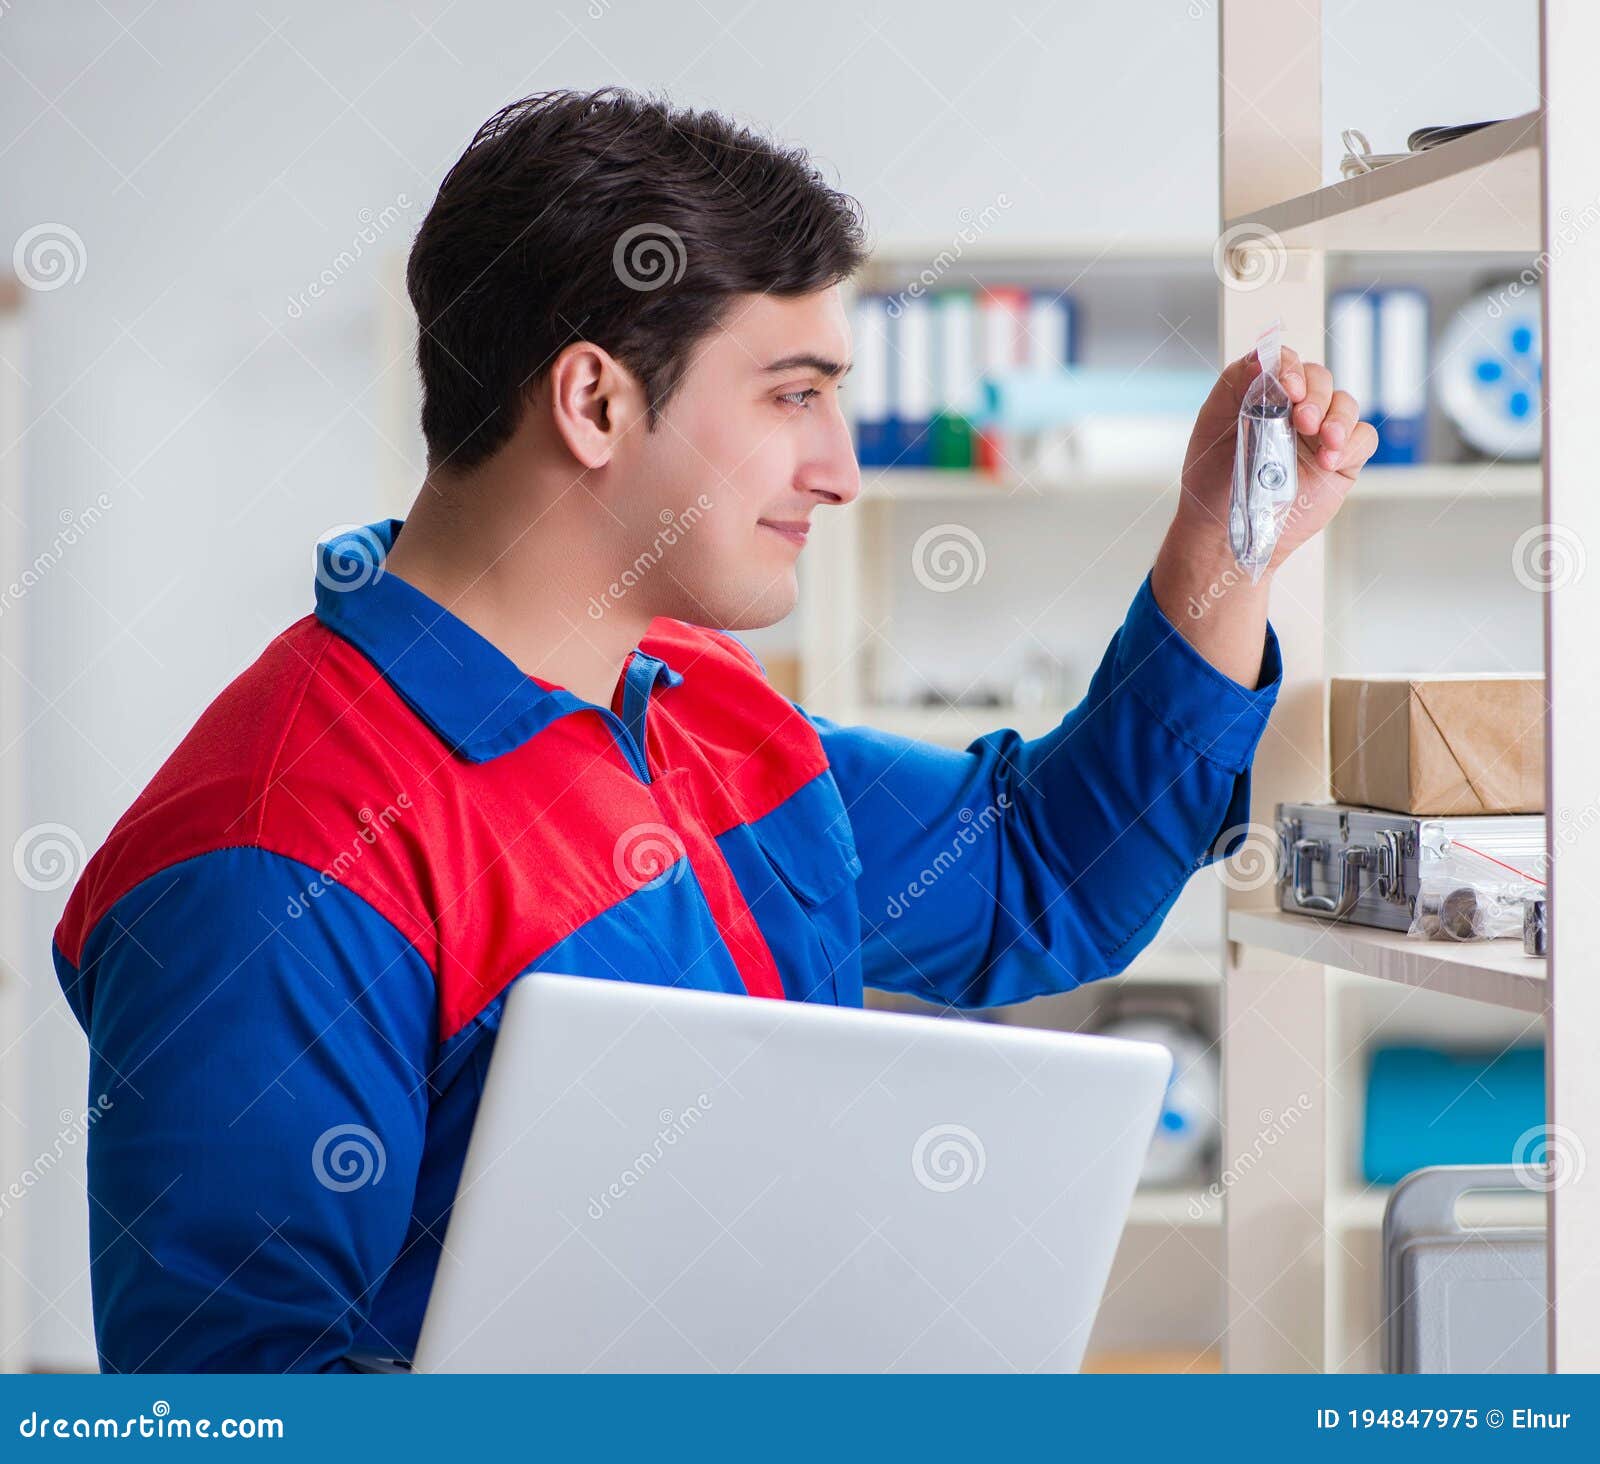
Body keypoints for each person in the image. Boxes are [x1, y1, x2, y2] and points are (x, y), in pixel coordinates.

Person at [52, 87, 1375, 1372]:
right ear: (595, 403)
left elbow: (1038, 871)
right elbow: (237, 1404)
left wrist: (1225, 539)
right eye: (793, 394)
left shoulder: (697, 704)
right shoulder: (276, 852)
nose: (843, 468)